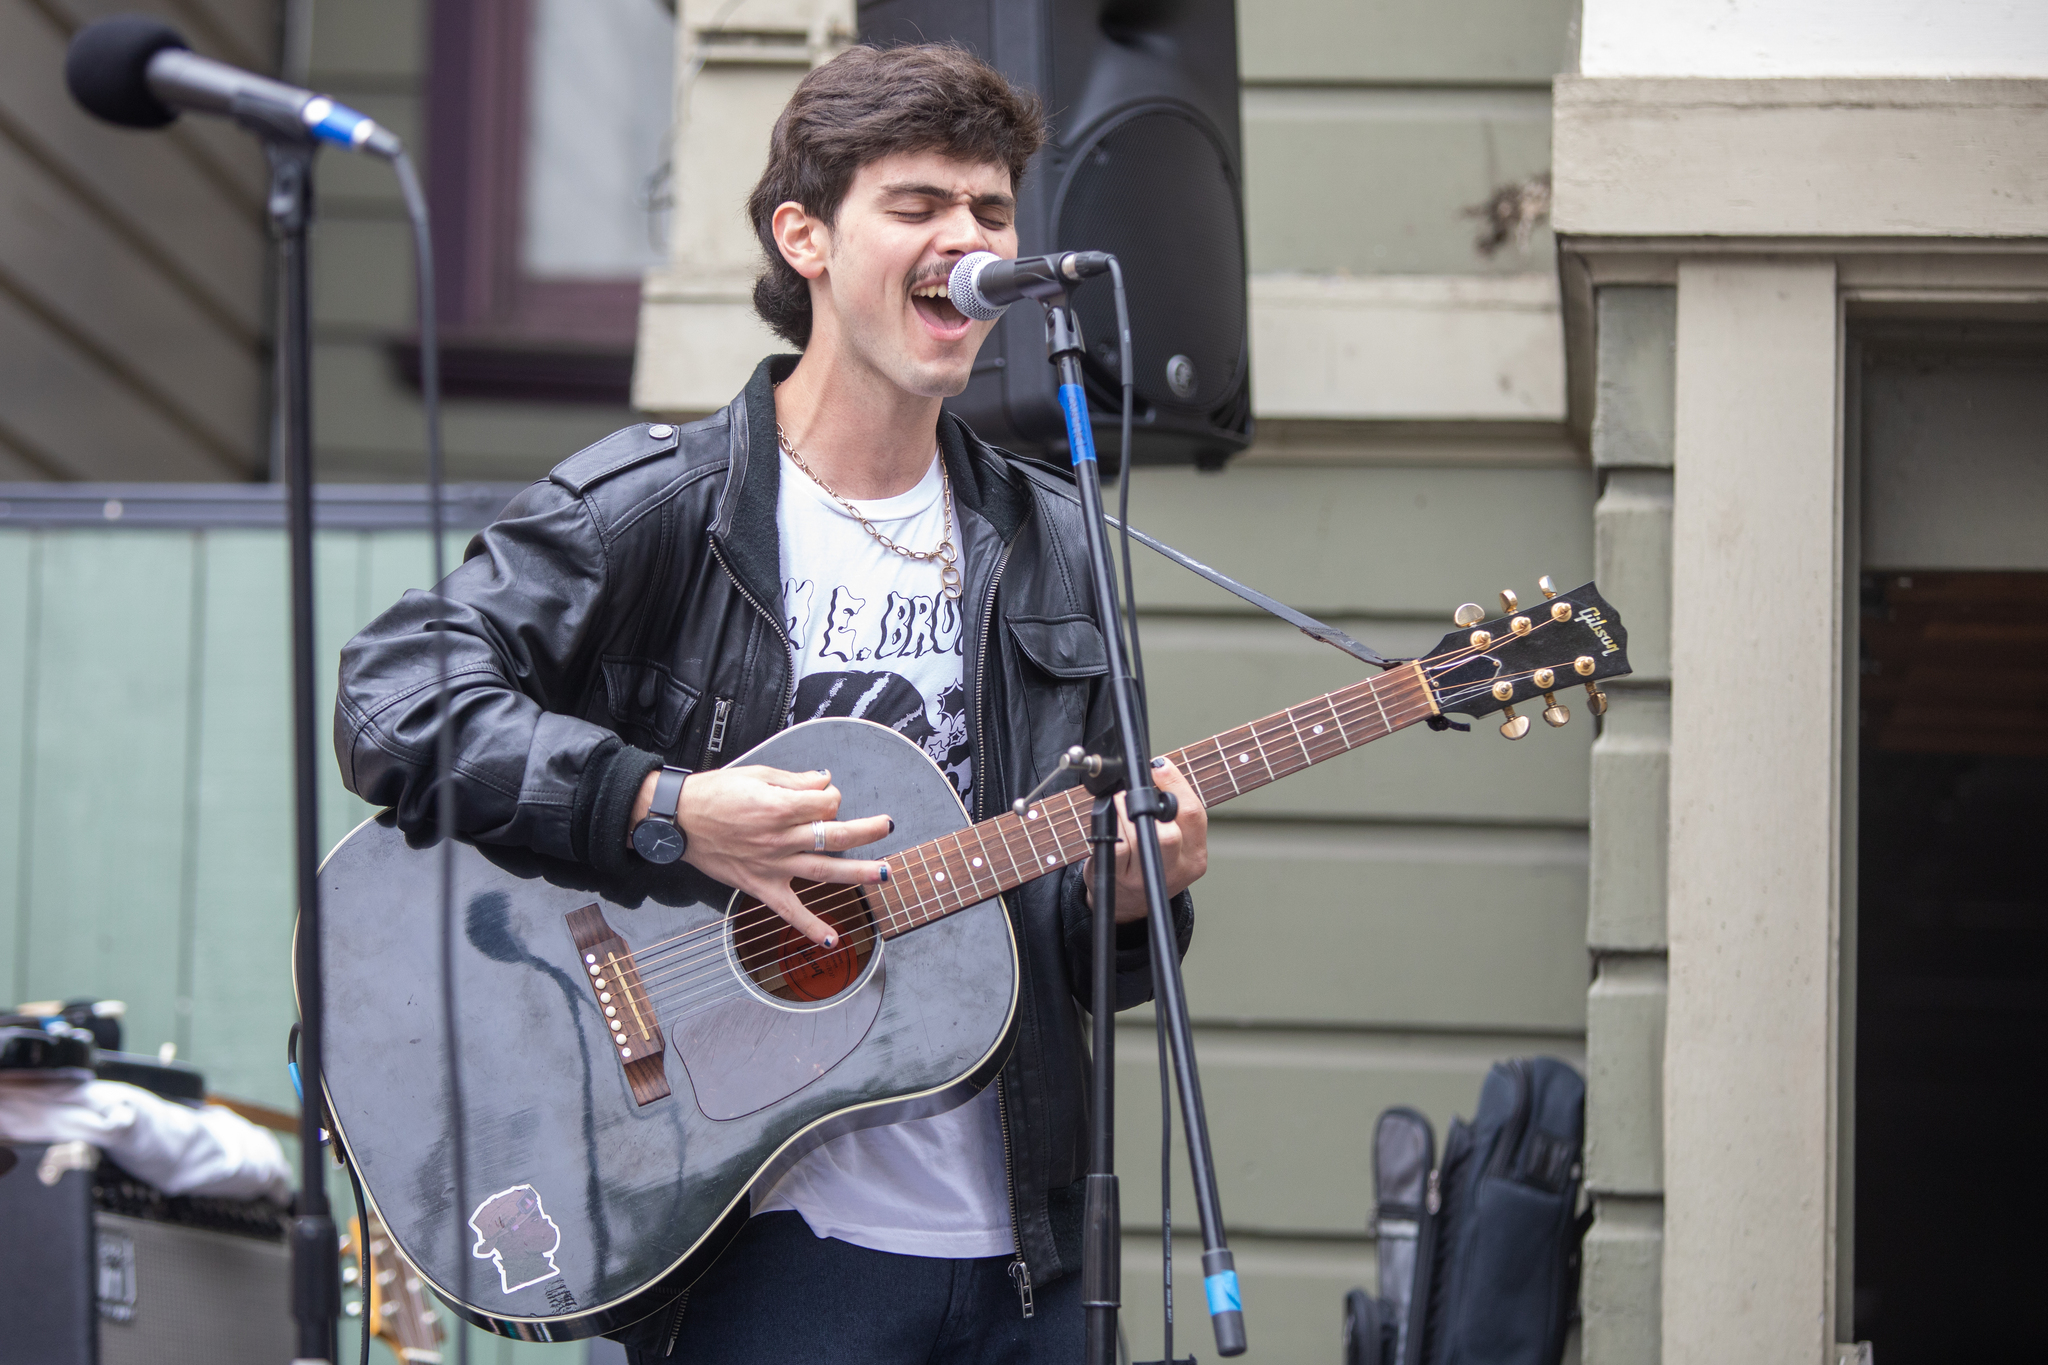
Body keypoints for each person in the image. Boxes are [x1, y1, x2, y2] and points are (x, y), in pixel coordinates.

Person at [335, 42, 1208, 1364]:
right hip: (756, 1237)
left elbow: (1067, 938)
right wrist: (664, 807)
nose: (966, 239)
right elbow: (395, 694)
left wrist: (1133, 898)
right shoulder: (659, 505)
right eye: (918, 205)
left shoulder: (1056, 541)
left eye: (989, 210)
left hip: (1026, 1248)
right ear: (804, 235)